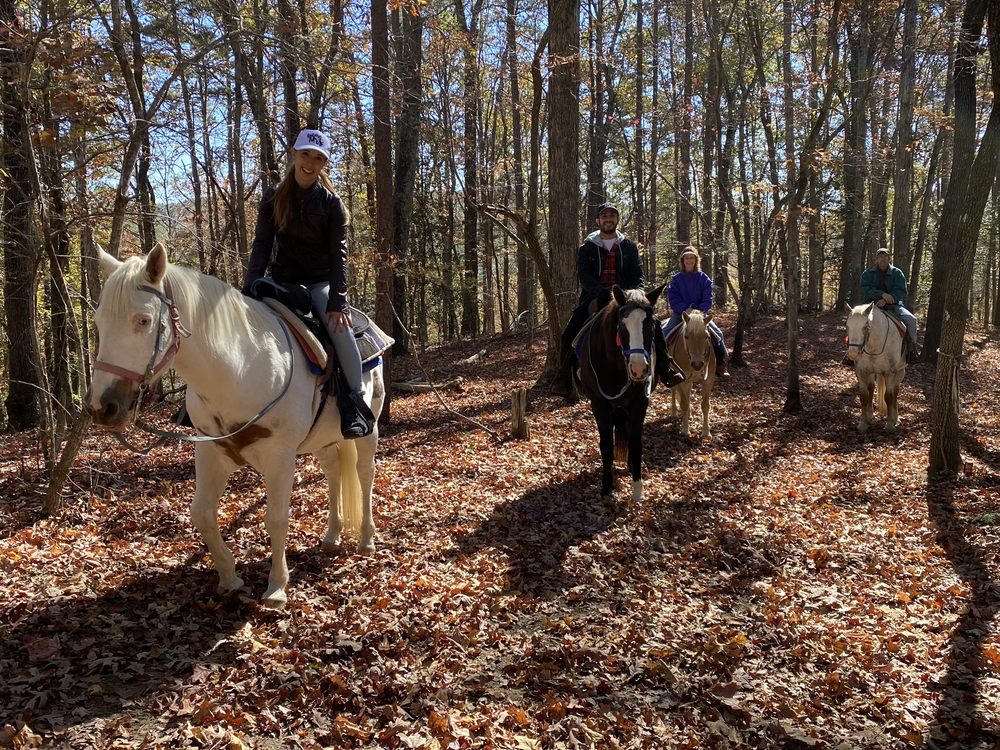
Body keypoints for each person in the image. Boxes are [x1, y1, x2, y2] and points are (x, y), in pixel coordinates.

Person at [242, 128, 375, 439]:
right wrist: (249, 287)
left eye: (318, 159)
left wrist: (338, 302)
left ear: (323, 164)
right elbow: (262, 245)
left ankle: (353, 402)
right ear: (294, 155)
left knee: (339, 330)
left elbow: (338, 255)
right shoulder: (272, 199)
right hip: (282, 281)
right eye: (305, 155)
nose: (310, 163)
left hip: (318, 282)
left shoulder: (331, 204)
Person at [554, 202, 681, 397]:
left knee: (653, 325)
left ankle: (666, 368)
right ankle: (563, 376)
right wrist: (599, 291)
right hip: (596, 297)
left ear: (617, 220)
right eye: (604, 216)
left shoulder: (628, 246)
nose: (608, 219)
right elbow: (584, 275)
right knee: (570, 331)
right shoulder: (587, 247)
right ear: (598, 220)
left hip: (627, 298)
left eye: (612, 216)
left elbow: (638, 274)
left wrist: (636, 293)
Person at [664, 246, 730, 378]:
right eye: (687, 258)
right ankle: (662, 366)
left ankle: (721, 365)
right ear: (683, 260)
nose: (689, 260)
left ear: (696, 260)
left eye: (692, 258)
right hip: (681, 314)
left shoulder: (703, 278)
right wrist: (685, 308)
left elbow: (708, 297)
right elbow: (673, 297)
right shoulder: (677, 279)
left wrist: (699, 310)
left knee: (718, 334)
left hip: (700, 315)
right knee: (664, 333)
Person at [860, 247, 919, 363]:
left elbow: (901, 290)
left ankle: (911, 351)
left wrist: (887, 299)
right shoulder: (867, 273)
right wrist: (881, 295)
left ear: (889, 258)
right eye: (880, 257)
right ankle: (851, 353)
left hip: (893, 305)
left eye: (885, 257)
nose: (883, 259)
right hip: (871, 305)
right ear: (876, 259)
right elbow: (865, 289)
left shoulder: (897, 273)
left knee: (911, 319)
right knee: (855, 321)